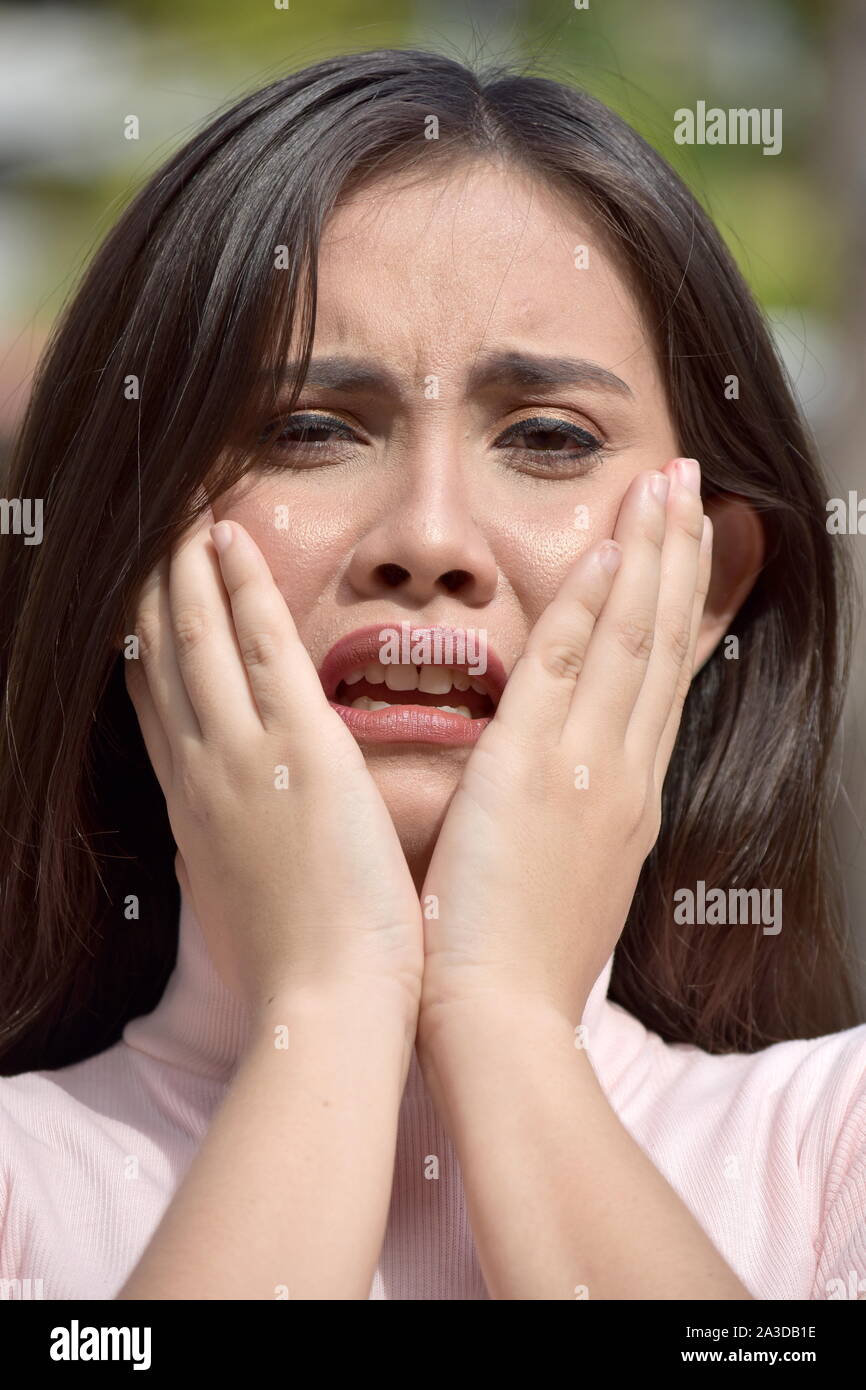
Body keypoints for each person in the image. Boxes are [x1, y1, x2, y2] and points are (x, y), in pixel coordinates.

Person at [0, 48, 863, 1301]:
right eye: (306, 430)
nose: (429, 540)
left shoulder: (833, 1152)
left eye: (549, 439)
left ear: (706, 589)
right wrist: (330, 1002)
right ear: (121, 545)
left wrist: (503, 1019)